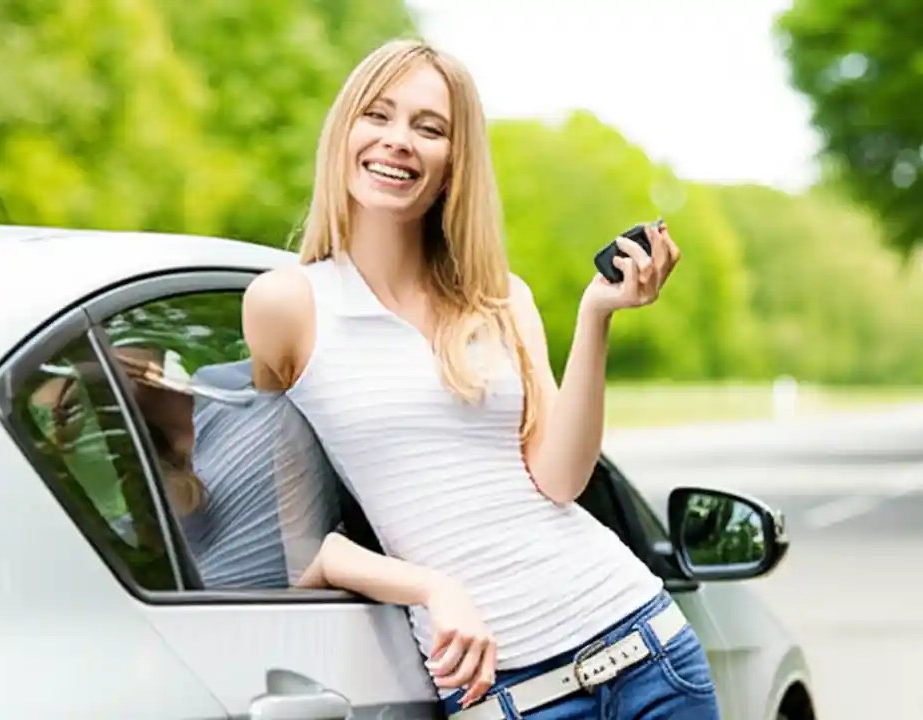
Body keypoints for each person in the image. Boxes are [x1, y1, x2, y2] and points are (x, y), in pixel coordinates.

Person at [242, 38, 720, 719]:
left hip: (645, 648)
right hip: (509, 697)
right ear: (344, 131)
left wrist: (596, 316)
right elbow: (303, 551)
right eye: (378, 115)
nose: (399, 141)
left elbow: (559, 479)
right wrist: (431, 587)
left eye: (429, 128)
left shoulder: (501, 297)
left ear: (453, 162)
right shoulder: (285, 305)